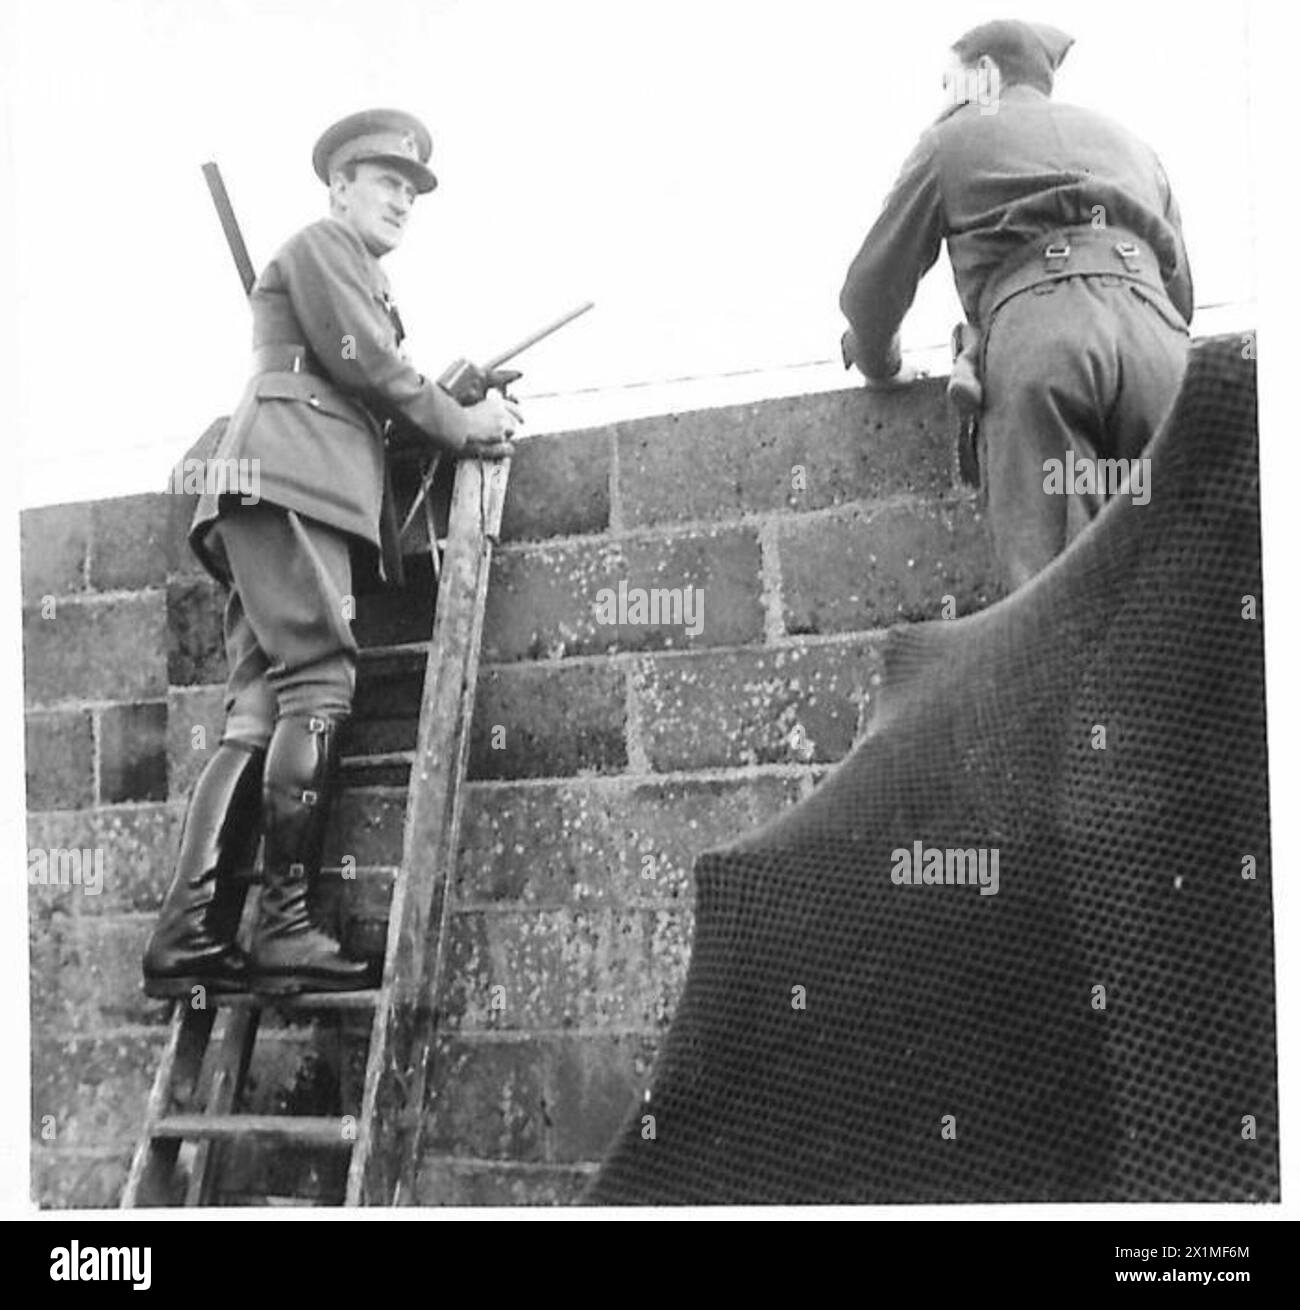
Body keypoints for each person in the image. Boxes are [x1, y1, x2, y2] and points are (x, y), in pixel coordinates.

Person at [143, 109, 520, 996]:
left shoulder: (345, 272)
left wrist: (441, 393)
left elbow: (370, 378)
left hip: (276, 484)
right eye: (385, 181)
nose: (401, 199)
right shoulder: (323, 246)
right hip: (290, 481)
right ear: (338, 188)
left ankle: (189, 935)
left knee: (259, 713)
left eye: (410, 189)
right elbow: (374, 373)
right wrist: (462, 422)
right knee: (318, 686)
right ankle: (283, 928)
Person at [840, 21, 1194, 590]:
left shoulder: (952, 139)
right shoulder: (1132, 145)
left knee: (1055, 602)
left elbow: (871, 290)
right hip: (1161, 352)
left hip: (1044, 346)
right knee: (1190, 588)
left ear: (983, 74)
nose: (946, 97)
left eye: (948, 82)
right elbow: (1182, 296)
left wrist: (882, 362)